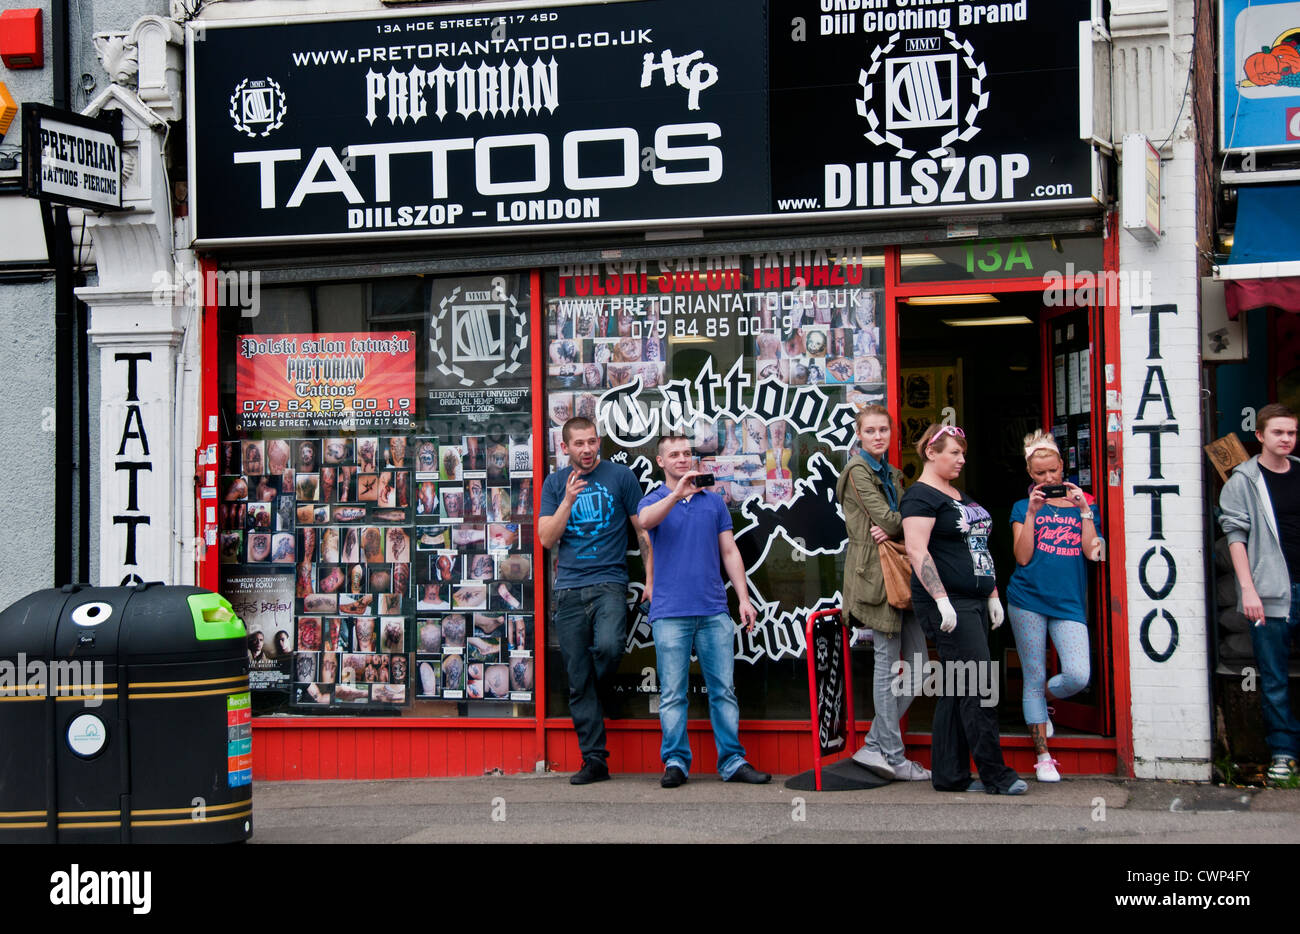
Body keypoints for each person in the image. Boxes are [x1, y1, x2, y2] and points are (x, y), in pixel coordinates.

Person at [637, 435, 770, 786]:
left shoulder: (714, 503)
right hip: (669, 612)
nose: (682, 459)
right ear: (661, 461)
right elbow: (646, 521)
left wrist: (743, 598)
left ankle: (732, 762)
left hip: (713, 610)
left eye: (687, 454)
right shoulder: (653, 499)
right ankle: (676, 763)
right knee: (672, 694)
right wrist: (676, 494)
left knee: (723, 690)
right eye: (674, 455)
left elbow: (730, 553)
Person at [901, 424, 1026, 795]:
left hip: (973, 600)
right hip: (947, 602)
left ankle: (950, 775)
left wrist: (991, 594)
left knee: (958, 687)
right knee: (977, 683)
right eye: (954, 452)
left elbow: (977, 549)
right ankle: (996, 775)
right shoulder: (920, 497)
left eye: (962, 453)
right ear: (931, 453)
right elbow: (917, 551)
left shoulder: (956, 494)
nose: (961, 459)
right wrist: (941, 601)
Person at [538, 416, 653, 785]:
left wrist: (652, 579)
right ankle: (594, 760)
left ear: (598, 441)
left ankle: (591, 684)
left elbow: (642, 530)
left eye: (592, 442)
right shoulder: (556, 484)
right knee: (577, 679)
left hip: (609, 583)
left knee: (608, 646)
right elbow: (545, 539)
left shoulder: (620, 478)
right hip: (569, 589)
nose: (587, 450)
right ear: (565, 447)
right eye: (579, 444)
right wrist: (568, 502)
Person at [835, 405, 931, 781]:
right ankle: (893, 755)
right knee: (887, 663)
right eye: (870, 430)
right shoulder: (858, 470)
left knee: (920, 664)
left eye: (883, 430)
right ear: (859, 435)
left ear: (893, 435)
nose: (877, 436)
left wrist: (897, 525)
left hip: (899, 574)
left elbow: (896, 522)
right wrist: (900, 524)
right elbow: (893, 520)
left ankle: (875, 743)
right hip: (874, 578)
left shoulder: (889, 473)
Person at [1006, 430, 1104, 782]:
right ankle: (1043, 756)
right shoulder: (1022, 507)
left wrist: (1085, 512)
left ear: (1063, 466)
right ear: (1030, 475)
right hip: (1027, 599)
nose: (1048, 479)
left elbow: (1094, 553)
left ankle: (1042, 694)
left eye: (1053, 471)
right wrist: (1032, 513)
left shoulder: (1085, 503)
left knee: (1078, 674)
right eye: (1039, 474)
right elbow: (1022, 556)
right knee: (1032, 675)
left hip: (1068, 602)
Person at [1219, 403, 1300, 783]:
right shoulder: (1244, 480)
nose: (1286, 439)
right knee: (1274, 676)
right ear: (1260, 436)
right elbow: (1236, 537)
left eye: (1292, 433)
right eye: (1278, 433)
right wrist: (1247, 590)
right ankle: (1283, 753)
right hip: (1269, 591)